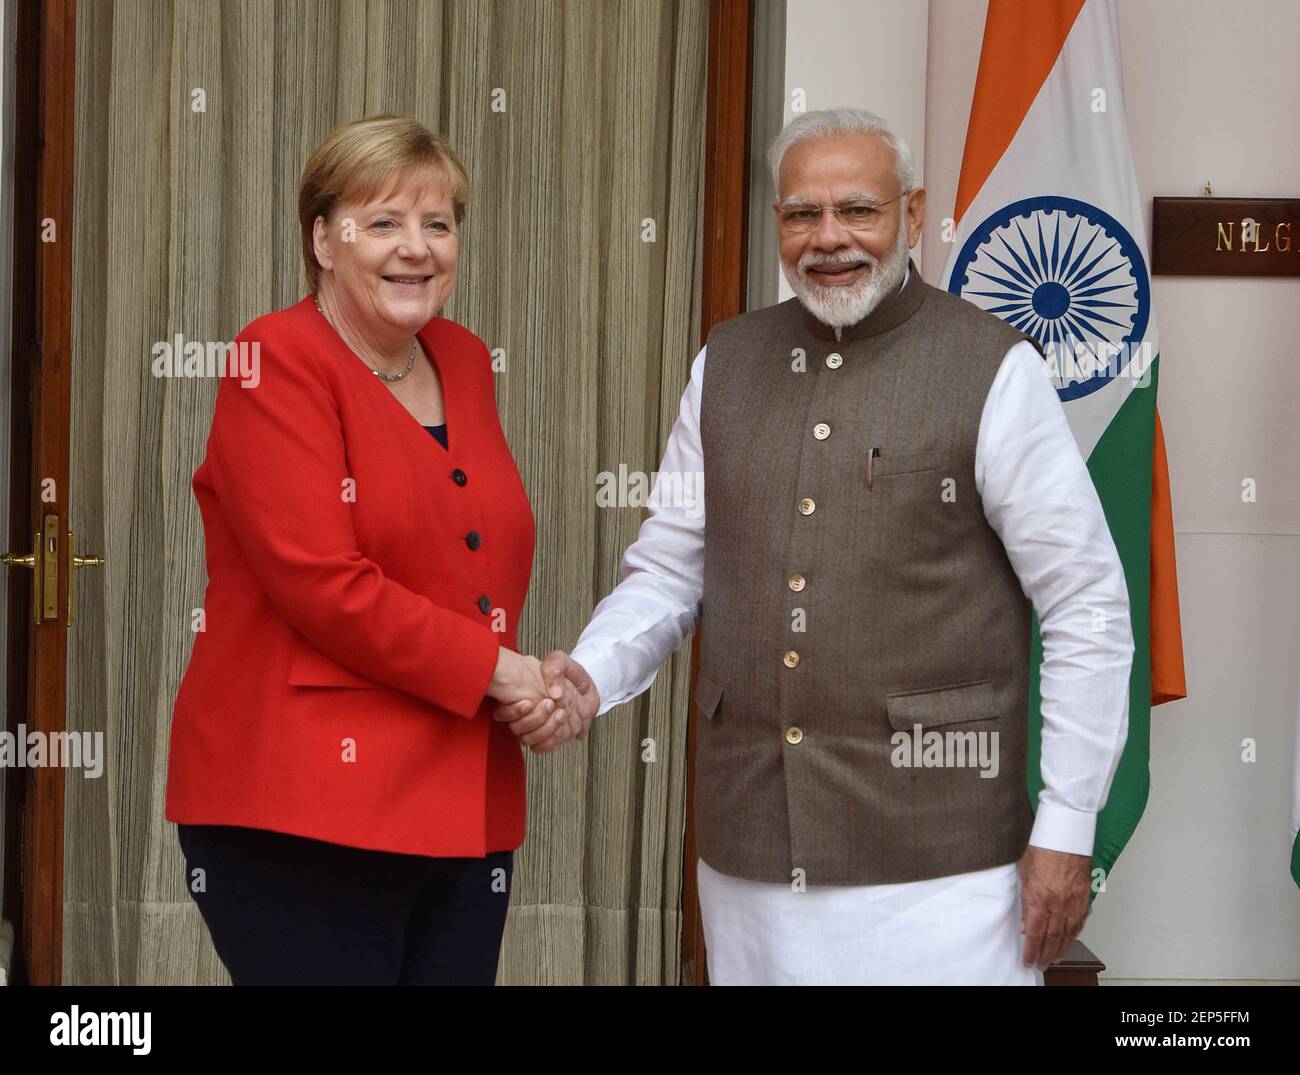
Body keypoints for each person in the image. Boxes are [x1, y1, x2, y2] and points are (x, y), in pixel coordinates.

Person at [498, 107, 1134, 985]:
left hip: (941, 867)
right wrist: (591, 676)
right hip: (750, 852)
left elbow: (1085, 603)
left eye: (858, 210)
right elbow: (670, 567)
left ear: (912, 216)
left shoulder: (993, 367)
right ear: (778, 225)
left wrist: (1066, 826)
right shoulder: (725, 361)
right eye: (802, 214)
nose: (829, 238)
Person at [165, 115, 583, 986]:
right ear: (323, 237)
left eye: (438, 224)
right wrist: (500, 672)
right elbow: (323, 582)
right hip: (303, 804)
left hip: (462, 796)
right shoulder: (272, 357)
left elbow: (469, 559)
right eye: (382, 223)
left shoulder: (463, 359)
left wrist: (537, 685)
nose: (416, 248)